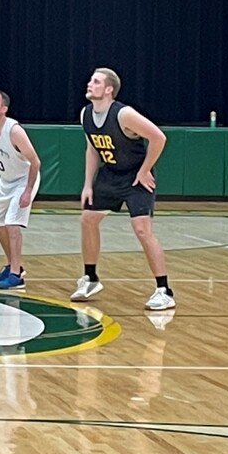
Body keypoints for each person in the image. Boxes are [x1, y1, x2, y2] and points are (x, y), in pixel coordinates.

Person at [72, 68, 175, 311]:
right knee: (87, 219)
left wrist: (145, 170)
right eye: (90, 80)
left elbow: (158, 138)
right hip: (110, 174)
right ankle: (90, 278)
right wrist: (87, 184)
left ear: (108, 89)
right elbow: (92, 149)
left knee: (142, 229)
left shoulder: (123, 114)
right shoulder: (86, 114)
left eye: (96, 81)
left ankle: (164, 290)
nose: (89, 84)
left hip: (135, 176)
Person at [0, 89, 41, 291]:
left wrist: (28, 190)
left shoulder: (14, 130)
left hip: (24, 179)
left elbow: (35, 161)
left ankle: (16, 276)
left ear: (4, 109)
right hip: (6, 181)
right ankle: (12, 265)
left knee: (12, 224)